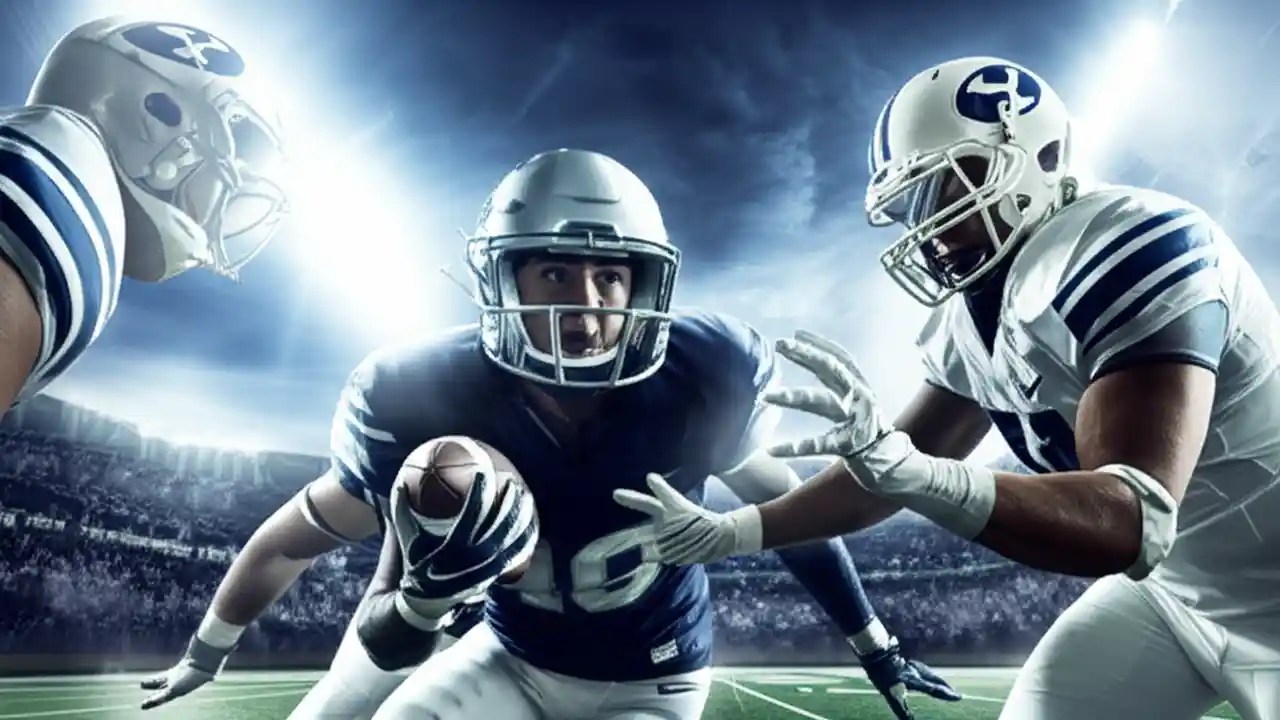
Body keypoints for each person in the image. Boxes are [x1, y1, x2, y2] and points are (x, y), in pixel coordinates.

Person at [141, 148, 957, 720]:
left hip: (654, 683)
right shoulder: (422, 397)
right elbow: (300, 550)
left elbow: (798, 526)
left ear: (648, 283)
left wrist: (875, 644)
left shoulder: (701, 375)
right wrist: (211, 651)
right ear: (504, 276)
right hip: (508, 657)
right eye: (556, 271)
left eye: (611, 274)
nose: (590, 300)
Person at [618, 56, 1280, 720]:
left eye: (946, 189)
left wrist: (918, 475)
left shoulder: (1135, 245)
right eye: (912, 203)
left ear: (1031, 158)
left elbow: (1129, 523)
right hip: (1172, 597)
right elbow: (878, 477)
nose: (926, 228)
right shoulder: (974, 313)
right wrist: (727, 532)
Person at [0, 16, 289, 412]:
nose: (215, 216)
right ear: (157, 112)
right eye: (229, 164)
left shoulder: (51, 155)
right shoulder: (69, 173)